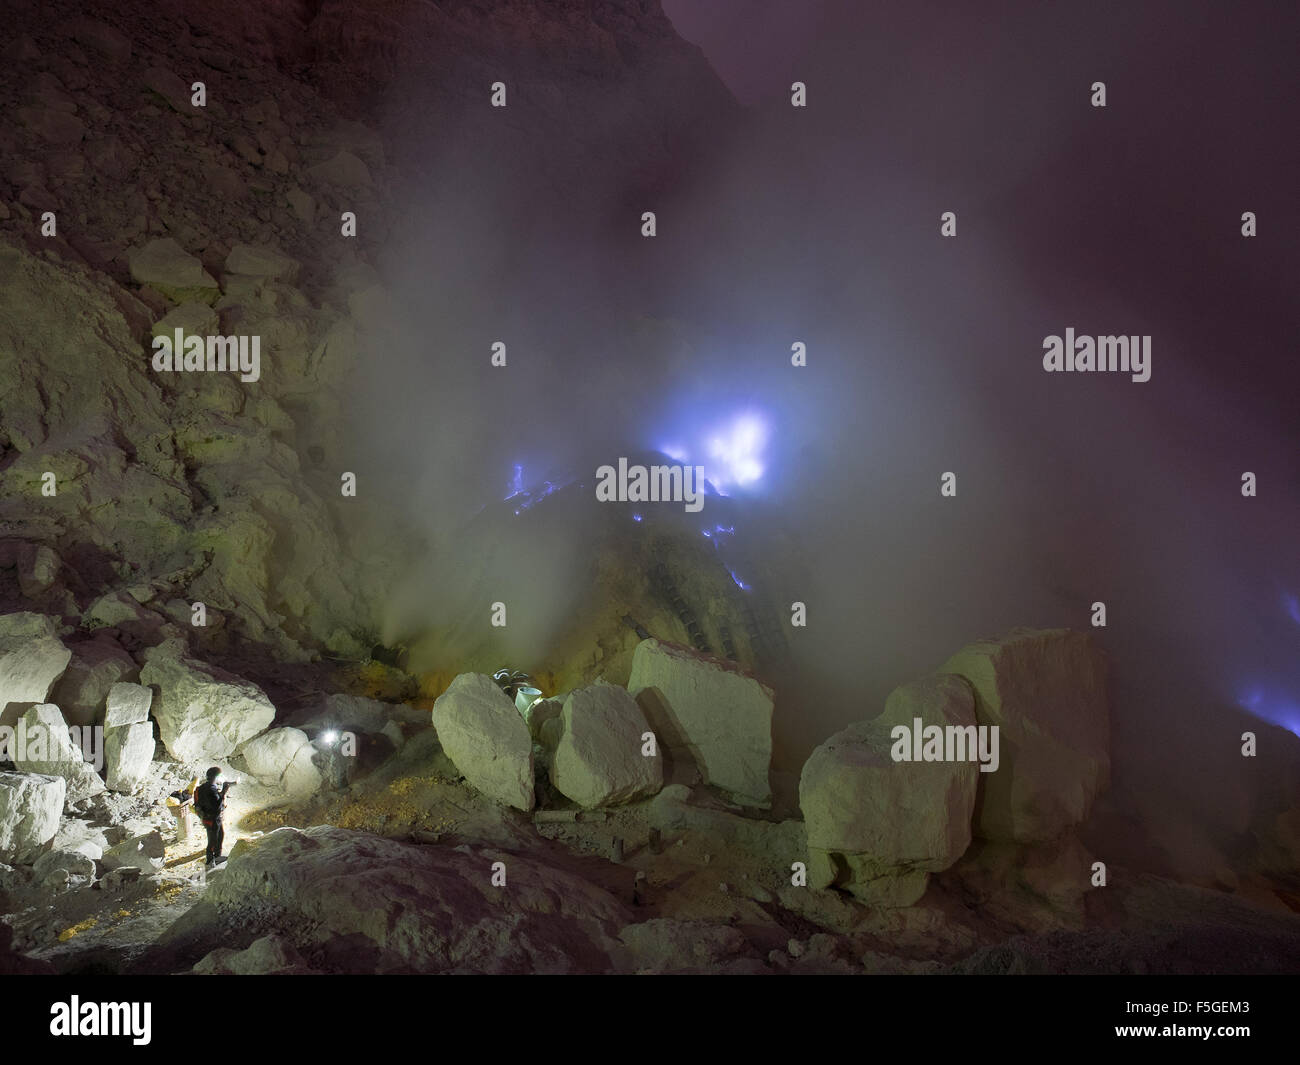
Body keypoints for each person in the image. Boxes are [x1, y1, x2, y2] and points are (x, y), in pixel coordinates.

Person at [193, 766, 235, 869]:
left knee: (219, 835)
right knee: (213, 840)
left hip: (208, 818)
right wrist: (224, 791)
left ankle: (217, 857)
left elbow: (214, 800)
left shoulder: (205, 787)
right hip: (212, 818)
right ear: (215, 777)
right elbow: (216, 805)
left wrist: (222, 792)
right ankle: (210, 861)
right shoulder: (211, 789)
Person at [165, 777, 199, 846]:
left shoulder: (177, 799)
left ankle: (184, 837)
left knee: (184, 822)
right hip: (184, 805)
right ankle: (185, 836)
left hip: (183, 805)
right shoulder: (184, 798)